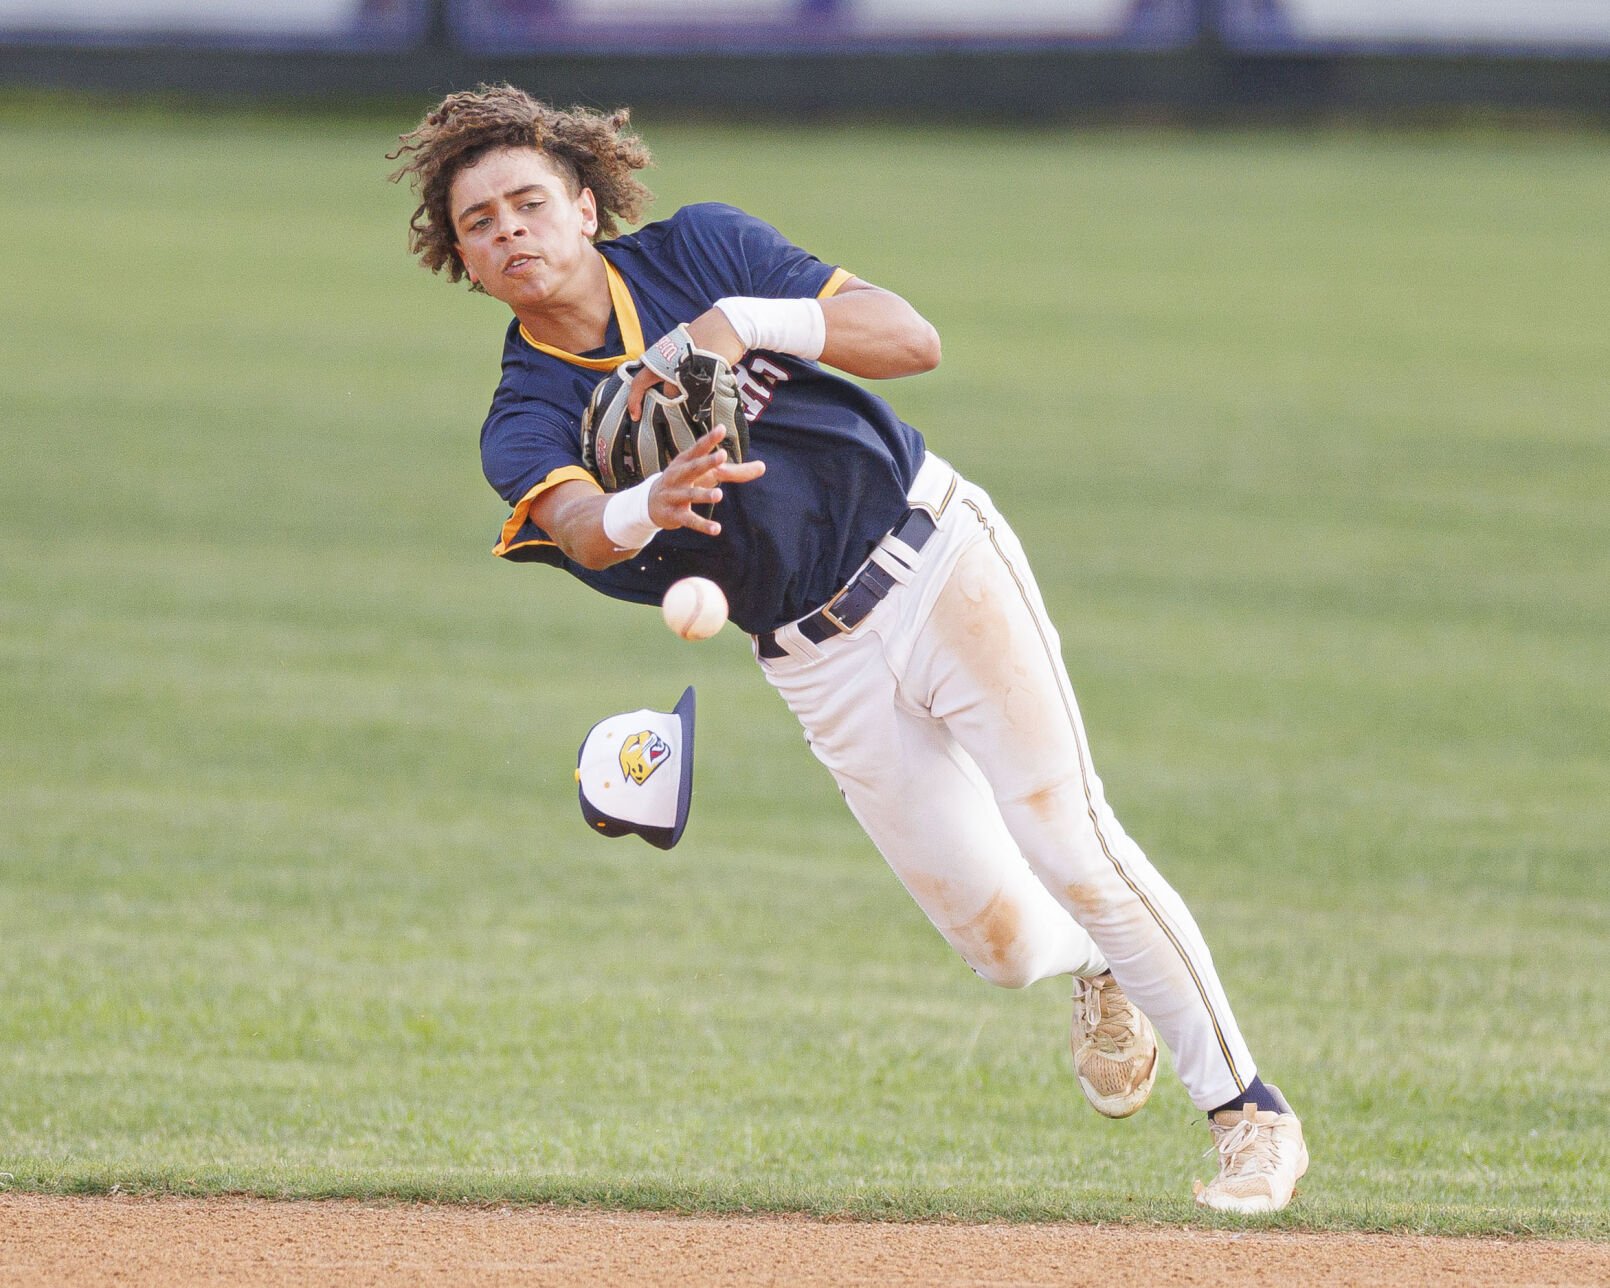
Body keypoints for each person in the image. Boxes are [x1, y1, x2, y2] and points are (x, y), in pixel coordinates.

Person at [389, 84, 1309, 1214]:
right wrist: (645, 505)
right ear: (463, 262)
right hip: (813, 658)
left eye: (528, 202)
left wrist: (746, 321)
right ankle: (1100, 962)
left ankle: (1248, 1115)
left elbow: (912, 340)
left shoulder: (701, 250)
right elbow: (577, 523)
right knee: (1005, 948)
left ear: (584, 206)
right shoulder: (525, 406)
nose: (509, 232)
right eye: (478, 224)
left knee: (1069, 838)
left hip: (934, 557)